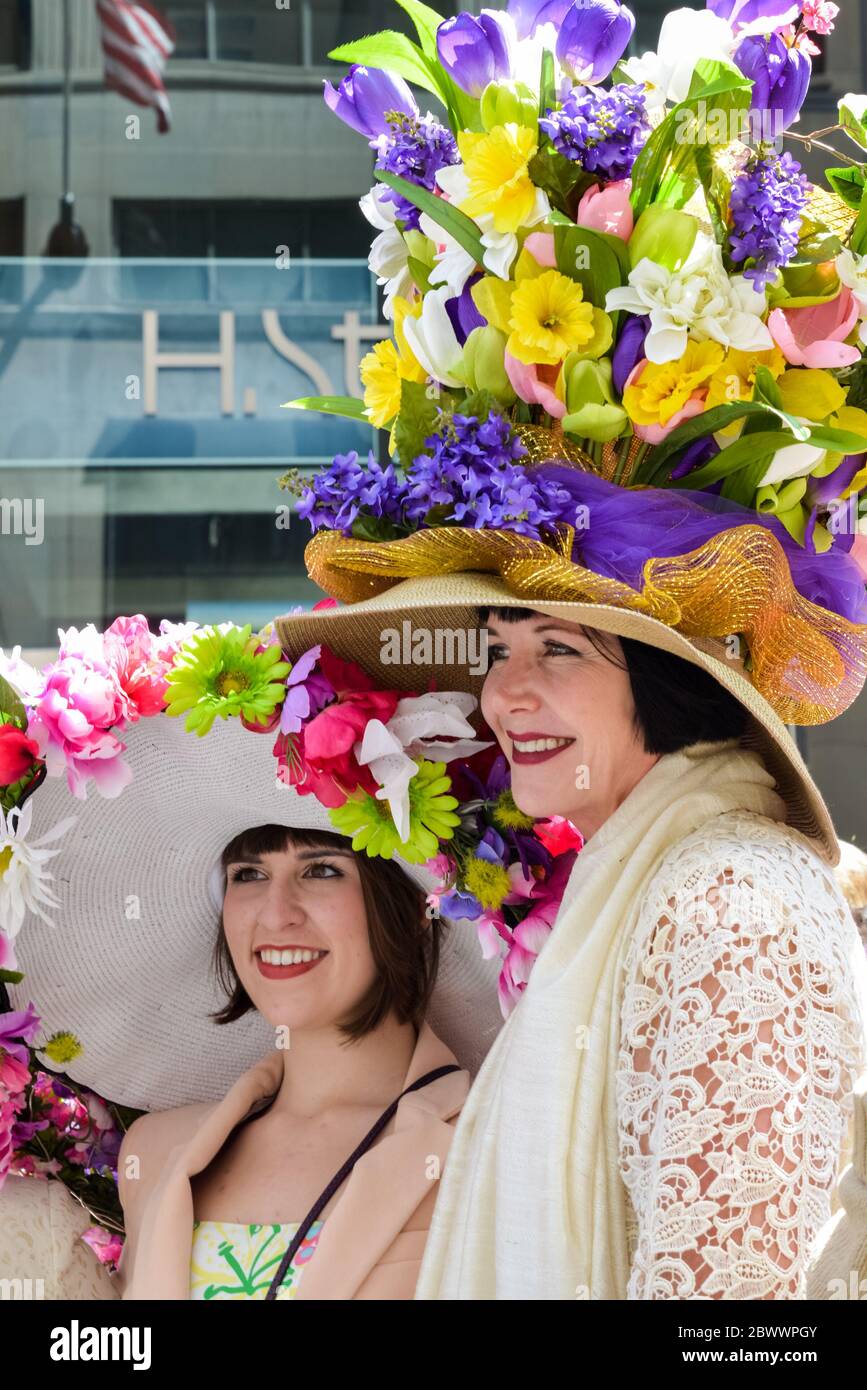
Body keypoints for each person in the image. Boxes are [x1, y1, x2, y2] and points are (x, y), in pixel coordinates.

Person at [274, 470, 867, 1300]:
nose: (503, 695)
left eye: (557, 647)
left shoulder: (731, 900)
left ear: (671, 676)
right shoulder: (658, 874)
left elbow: (737, 1310)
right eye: (497, 651)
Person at [0, 626, 506, 1300]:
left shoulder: (495, 1143)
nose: (276, 914)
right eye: (247, 875)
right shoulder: (158, 1151)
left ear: (414, 907)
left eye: (321, 870)